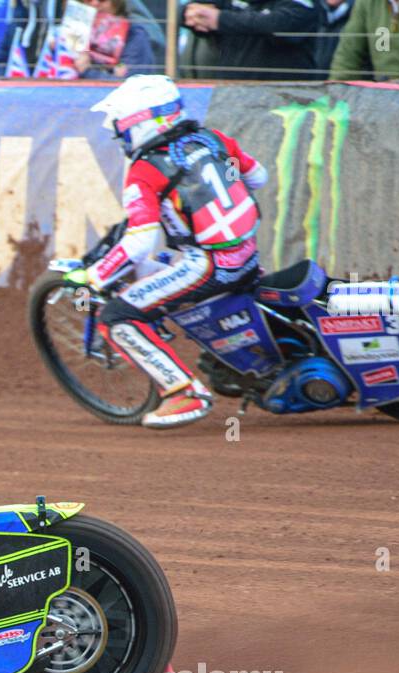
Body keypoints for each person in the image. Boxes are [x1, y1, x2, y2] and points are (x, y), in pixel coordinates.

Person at [64, 74, 268, 429]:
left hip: (207, 265)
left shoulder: (145, 170)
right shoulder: (213, 139)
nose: (120, 138)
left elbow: (139, 242)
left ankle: (184, 392)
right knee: (160, 267)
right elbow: (258, 177)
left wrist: (95, 276)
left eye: (122, 130)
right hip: (247, 255)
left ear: (141, 123)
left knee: (117, 313)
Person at [181, 0, 320, 80]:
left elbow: (279, 24)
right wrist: (190, 13)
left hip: (284, 96)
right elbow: (196, 10)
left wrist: (221, 19)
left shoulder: (302, 3)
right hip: (230, 95)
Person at [73, 0, 164, 78]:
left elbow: (132, 88)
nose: (95, 3)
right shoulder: (69, 30)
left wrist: (87, 71)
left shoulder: (134, 34)